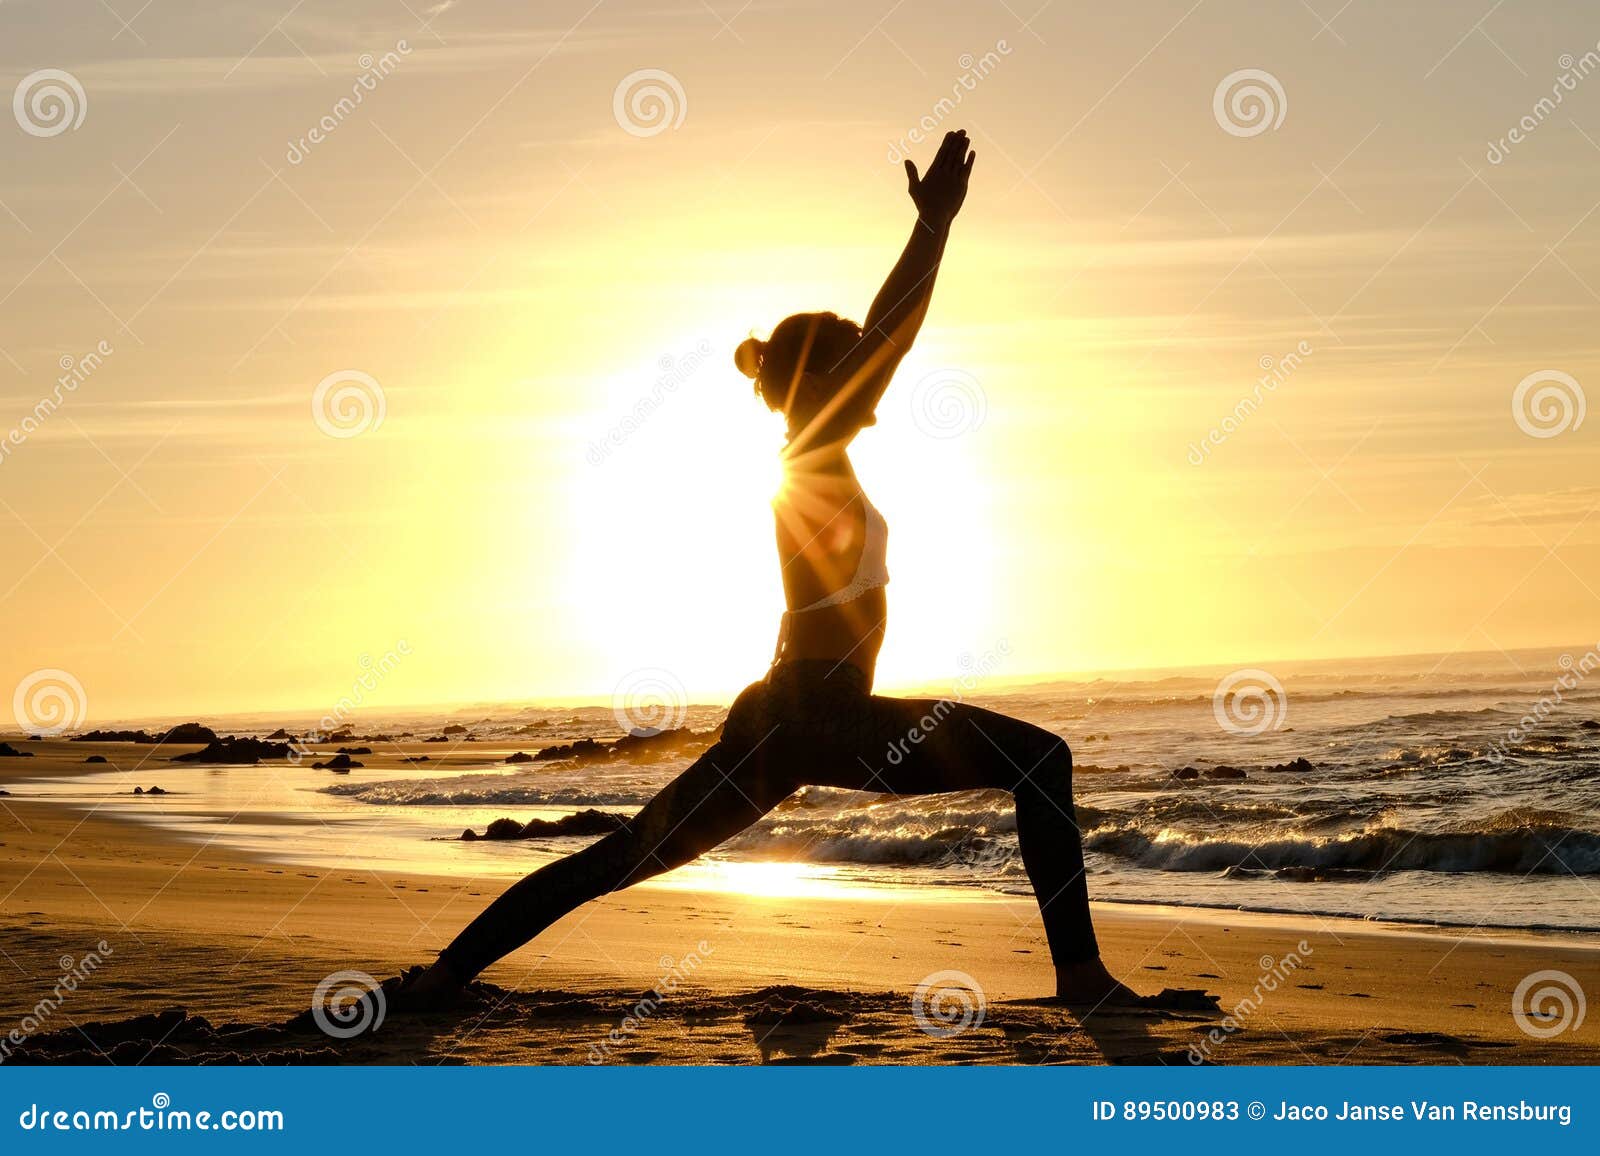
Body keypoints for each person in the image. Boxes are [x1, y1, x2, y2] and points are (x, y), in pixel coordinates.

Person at [397, 130, 1149, 1009]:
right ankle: (1084, 981)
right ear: (829, 381)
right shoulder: (813, 452)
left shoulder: (814, 460)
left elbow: (876, 346)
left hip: (789, 714)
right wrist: (934, 229)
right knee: (1041, 759)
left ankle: (445, 976)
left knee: (629, 853)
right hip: (821, 713)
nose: (871, 378)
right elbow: (891, 333)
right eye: (850, 364)